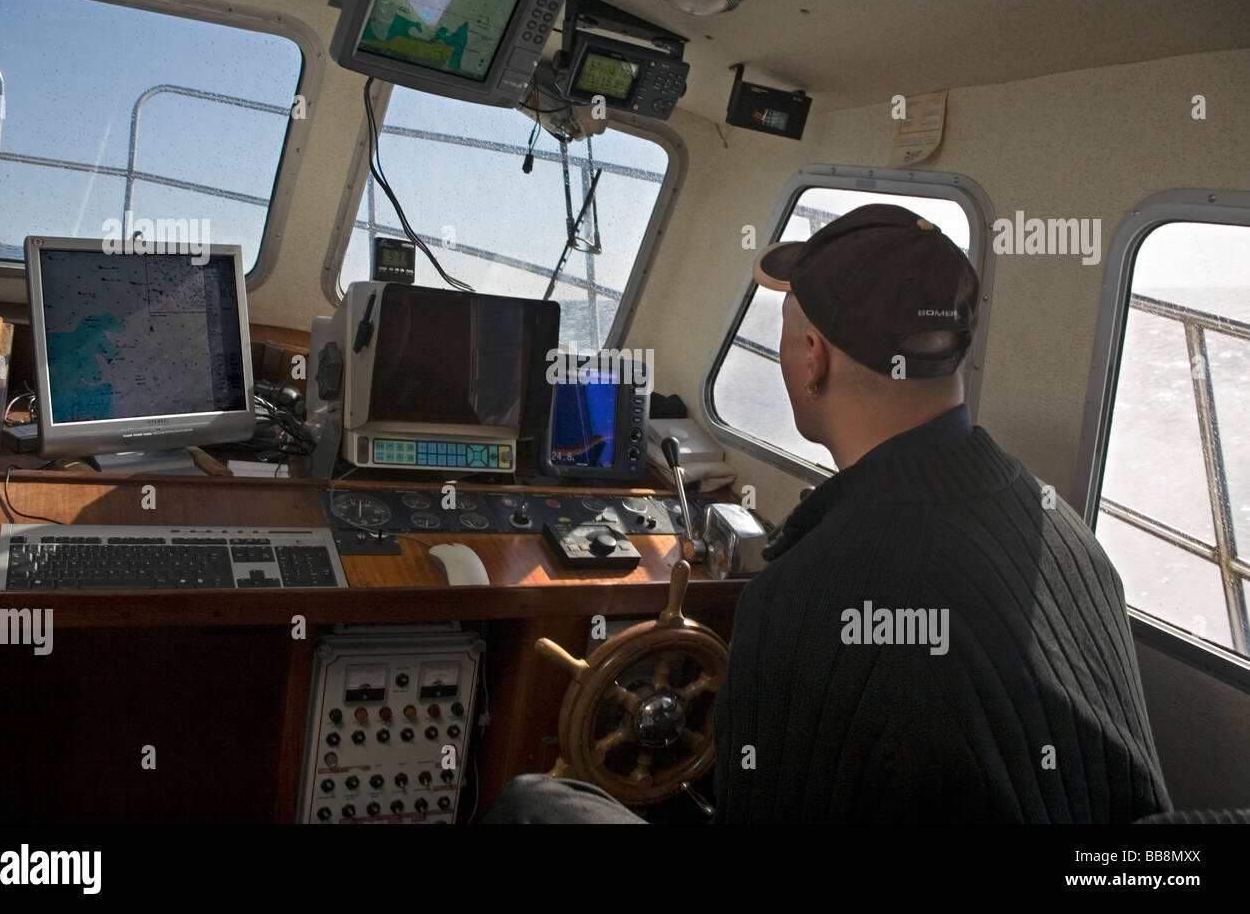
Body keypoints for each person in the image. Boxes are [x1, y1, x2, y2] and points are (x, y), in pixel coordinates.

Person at [485, 204, 1171, 823]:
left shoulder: (806, 601)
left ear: (813, 359)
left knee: (532, 803)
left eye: (788, 336)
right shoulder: (1067, 533)